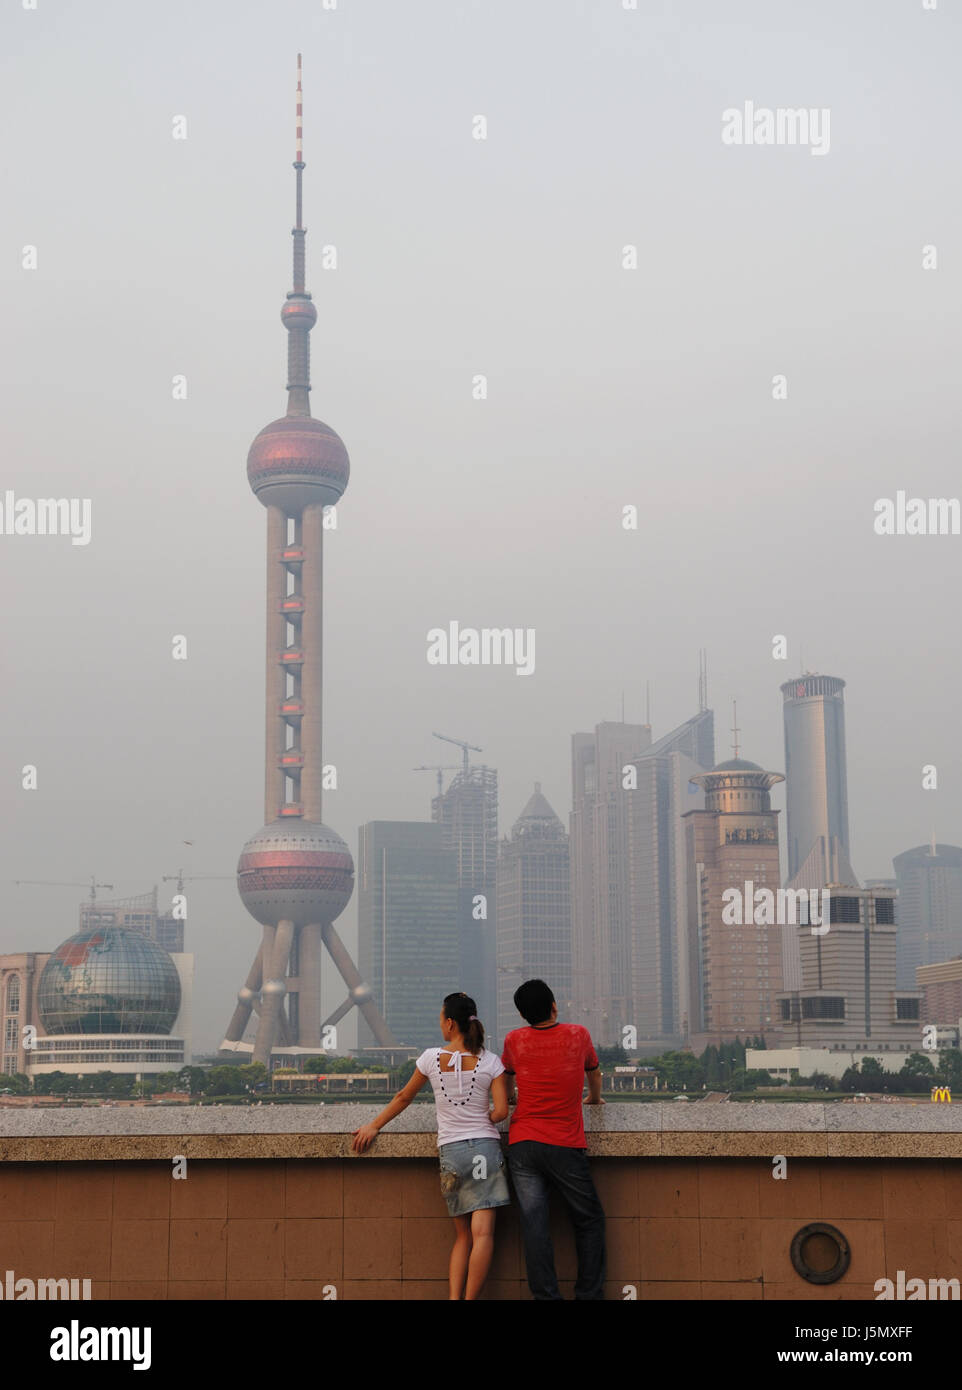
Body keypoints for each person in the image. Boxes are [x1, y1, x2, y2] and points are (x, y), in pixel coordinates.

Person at [351, 992, 510, 1300]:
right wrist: (486, 1116)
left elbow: (403, 1098)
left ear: (450, 1023)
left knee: (462, 1236)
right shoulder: (491, 1061)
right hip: (485, 1151)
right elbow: (501, 1112)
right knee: (483, 1234)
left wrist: (373, 1125)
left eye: (441, 1019)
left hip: (451, 1152)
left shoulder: (430, 1059)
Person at [501, 978, 606, 1300]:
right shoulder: (578, 1035)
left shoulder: (514, 1040)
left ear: (522, 1015)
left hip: (523, 1144)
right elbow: (594, 1073)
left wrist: (513, 1099)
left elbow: (505, 1083)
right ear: (554, 1006)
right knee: (588, 1220)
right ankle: (588, 1295)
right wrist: (593, 1099)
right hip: (565, 1143)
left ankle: (545, 1296)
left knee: (535, 1225)